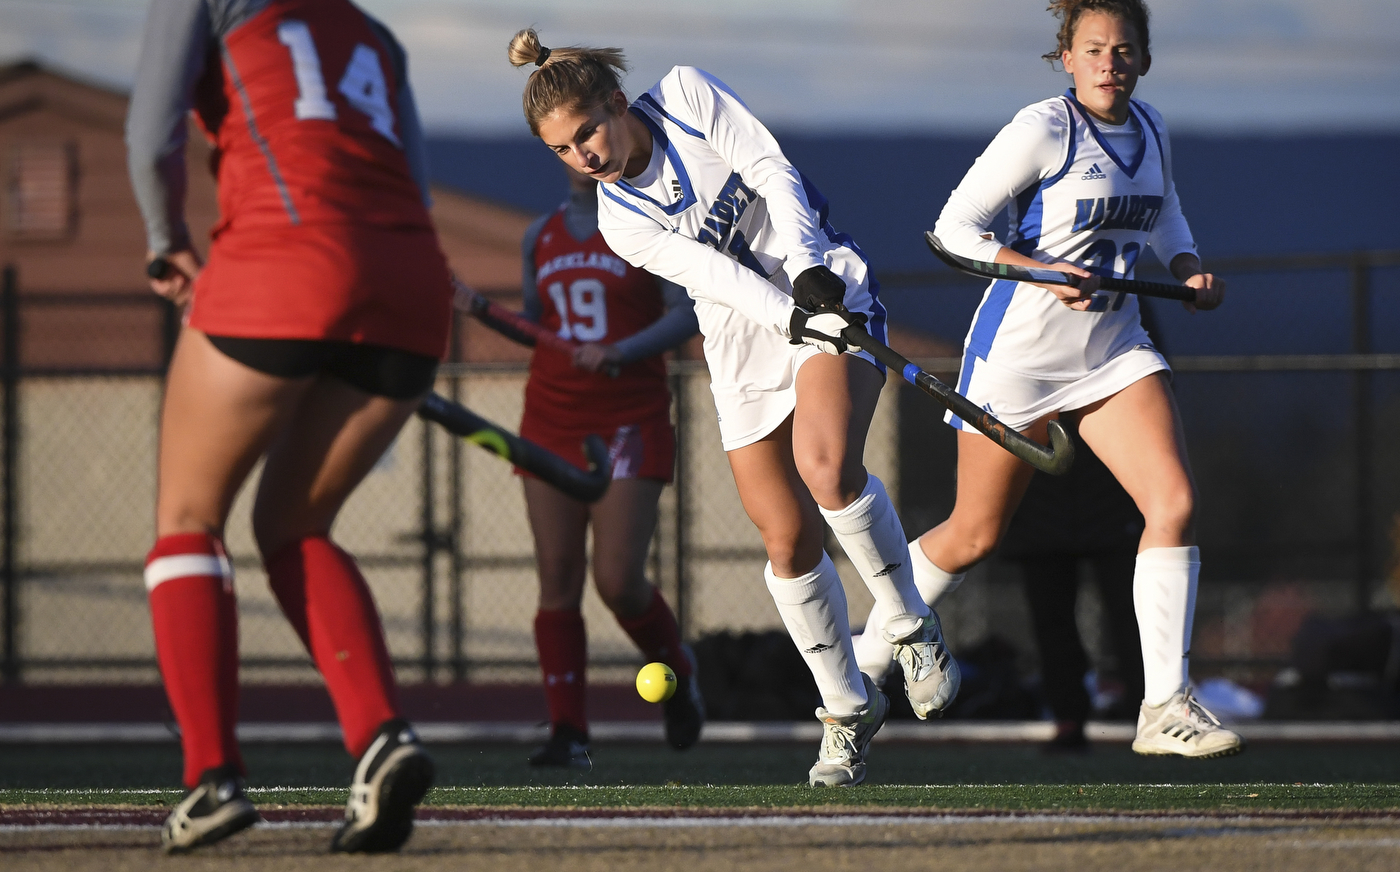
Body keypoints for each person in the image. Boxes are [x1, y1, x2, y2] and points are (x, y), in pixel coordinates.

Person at [506, 28, 960, 788]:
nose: (582, 155)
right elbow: (714, 277)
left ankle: (912, 625)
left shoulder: (685, 95)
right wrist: (788, 314)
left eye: (587, 131)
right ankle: (848, 708)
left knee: (826, 469)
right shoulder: (622, 221)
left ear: (617, 104)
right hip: (748, 339)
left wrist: (811, 270)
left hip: (827, 291)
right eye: (562, 150)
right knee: (783, 537)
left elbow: (771, 169)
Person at [855, 0, 1240, 759]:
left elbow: (1167, 226)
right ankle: (861, 666)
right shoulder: (1044, 127)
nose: (1110, 62)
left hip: (1113, 352)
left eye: (1125, 50)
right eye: (1094, 48)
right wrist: (1042, 273)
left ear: (1144, 60)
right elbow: (954, 230)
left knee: (1174, 502)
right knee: (975, 534)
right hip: (1021, 360)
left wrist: (1193, 273)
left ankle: (1164, 706)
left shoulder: (1153, 127)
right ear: (1066, 57)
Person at [126, 0, 448, 853]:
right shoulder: (375, 35)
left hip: (282, 257)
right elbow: (411, 185)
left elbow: (151, 131)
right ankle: (382, 735)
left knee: (188, 520)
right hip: (412, 280)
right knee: (294, 525)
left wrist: (167, 242)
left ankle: (210, 779)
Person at [485, 165, 702, 767]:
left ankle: (678, 672)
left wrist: (622, 351)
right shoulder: (540, 236)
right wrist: (479, 311)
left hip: (630, 416)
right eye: (560, 144)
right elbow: (542, 326)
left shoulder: (649, 227)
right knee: (556, 578)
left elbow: (688, 312)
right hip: (552, 417)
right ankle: (567, 731)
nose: (578, 155)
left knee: (617, 580)